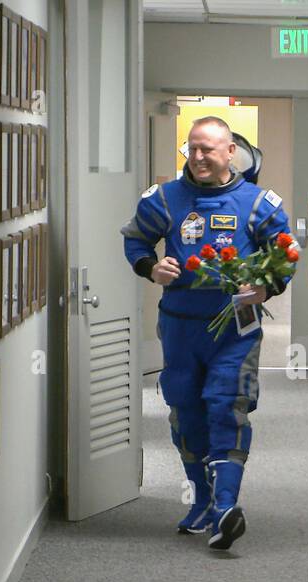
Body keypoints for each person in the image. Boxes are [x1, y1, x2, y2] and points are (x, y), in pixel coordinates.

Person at [122, 116, 296, 550]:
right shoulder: (163, 199)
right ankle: (201, 499)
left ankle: (225, 507)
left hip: (235, 328)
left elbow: (285, 256)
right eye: (193, 148)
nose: (198, 157)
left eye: (209, 149)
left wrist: (266, 285)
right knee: (186, 411)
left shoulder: (259, 204)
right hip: (180, 327)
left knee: (226, 406)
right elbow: (136, 241)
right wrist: (151, 267)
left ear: (230, 152)